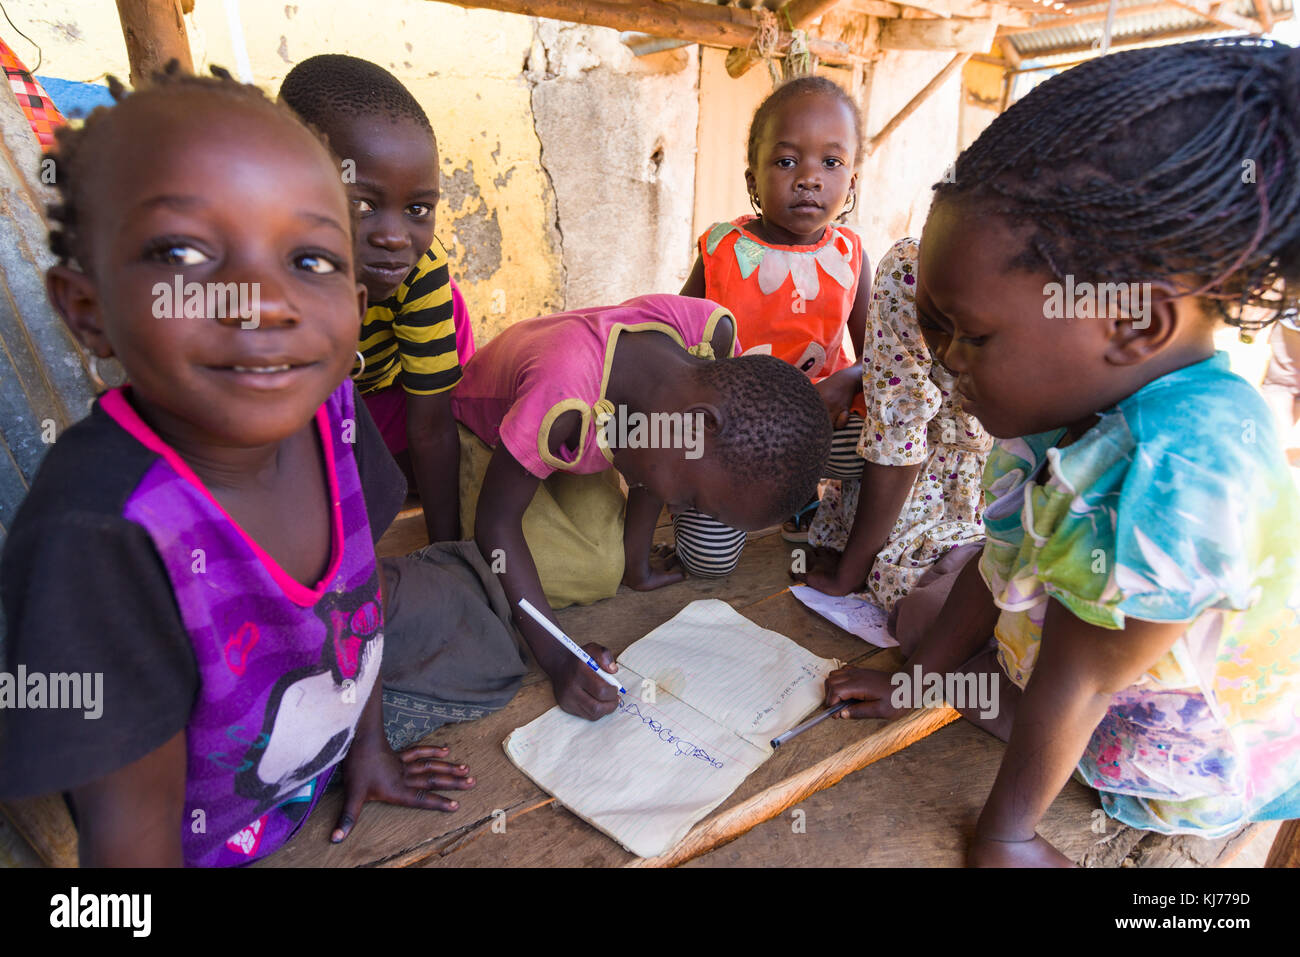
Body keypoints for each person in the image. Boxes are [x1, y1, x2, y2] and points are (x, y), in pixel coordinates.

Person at [0, 66, 522, 867]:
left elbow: (361, 599)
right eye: (185, 251)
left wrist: (368, 748)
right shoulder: (104, 535)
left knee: (489, 643)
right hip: (199, 847)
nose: (263, 301)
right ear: (87, 308)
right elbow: (127, 852)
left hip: (302, 782)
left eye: (310, 259)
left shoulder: (334, 411)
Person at [823, 39, 1300, 866]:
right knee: (926, 612)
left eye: (968, 335)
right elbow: (993, 558)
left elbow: (1084, 679)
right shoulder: (1061, 400)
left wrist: (1004, 834)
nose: (943, 361)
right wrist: (913, 678)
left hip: (1174, 763)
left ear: (1134, 323)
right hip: (1079, 674)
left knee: (943, 618)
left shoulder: (1191, 470)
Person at [452, 293, 832, 720]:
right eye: (691, 502)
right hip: (492, 434)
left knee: (618, 556)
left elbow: (661, 450)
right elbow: (497, 525)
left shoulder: (708, 345)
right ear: (698, 424)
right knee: (586, 572)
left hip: (590, 437)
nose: (682, 511)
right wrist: (560, 657)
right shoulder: (563, 398)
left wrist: (637, 564)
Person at [680, 75, 872, 566]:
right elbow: (676, 344)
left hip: (816, 424)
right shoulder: (723, 250)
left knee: (874, 443)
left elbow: (882, 361)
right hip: (733, 437)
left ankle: (810, 500)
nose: (809, 178)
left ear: (851, 180)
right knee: (708, 561)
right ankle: (709, 498)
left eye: (831, 163)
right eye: (787, 161)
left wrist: (848, 379)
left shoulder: (850, 255)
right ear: (753, 180)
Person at [280, 54, 471, 545]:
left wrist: (448, 552)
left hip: (390, 395)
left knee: (440, 452)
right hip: (307, 410)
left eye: (417, 209)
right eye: (362, 204)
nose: (393, 237)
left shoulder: (422, 270)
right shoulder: (259, 270)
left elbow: (430, 423)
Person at [801, 237, 991, 612]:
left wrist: (848, 574)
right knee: (907, 592)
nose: (953, 355)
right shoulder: (913, 268)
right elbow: (900, 434)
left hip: (999, 484)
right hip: (921, 484)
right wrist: (851, 572)